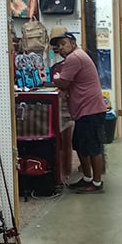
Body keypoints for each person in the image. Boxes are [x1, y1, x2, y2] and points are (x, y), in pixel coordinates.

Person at [50, 26, 107, 194]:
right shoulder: (77, 56)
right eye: (58, 46)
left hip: (90, 111)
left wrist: (55, 77)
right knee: (82, 146)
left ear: (73, 43)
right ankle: (88, 178)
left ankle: (96, 183)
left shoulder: (74, 58)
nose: (60, 48)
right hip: (86, 110)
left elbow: (63, 83)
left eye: (63, 44)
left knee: (92, 147)